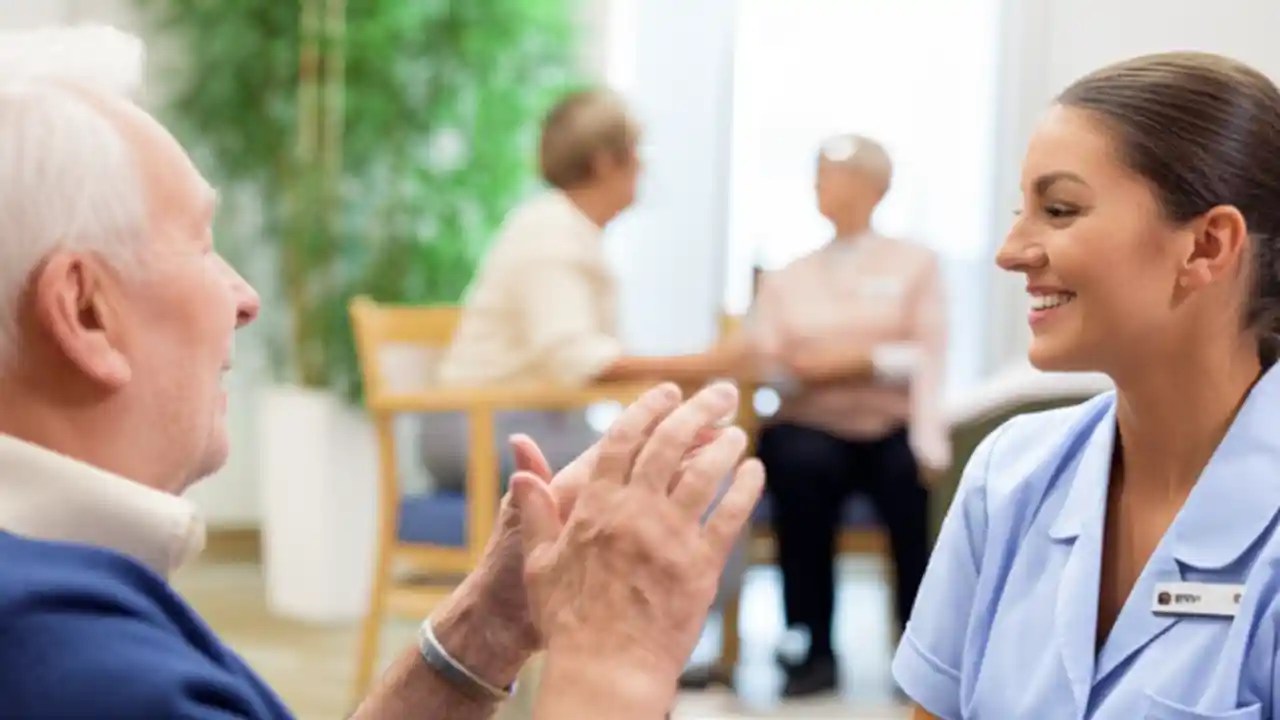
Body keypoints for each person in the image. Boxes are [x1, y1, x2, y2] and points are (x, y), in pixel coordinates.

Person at [0, 27, 765, 719]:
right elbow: (579, 360)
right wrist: (614, 667)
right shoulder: (92, 670)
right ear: (85, 311)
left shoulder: (74, 611)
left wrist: (482, 630)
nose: (246, 297)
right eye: (203, 245)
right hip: (492, 422)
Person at [896, 51, 1280, 719]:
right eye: (1023, 210)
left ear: (1208, 246)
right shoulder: (1010, 476)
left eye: (1060, 209)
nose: (1011, 250)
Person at [721, 134, 949, 698]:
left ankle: (920, 653)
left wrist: (849, 361)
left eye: (836, 174)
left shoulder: (915, 264)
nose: (823, 185)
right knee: (800, 467)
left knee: (907, 481)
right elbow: (770, 361)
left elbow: (924, 355)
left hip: (890, 426)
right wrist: (858, 361)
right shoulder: (788, 276)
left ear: (877, 187)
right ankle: (811, 646)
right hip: (810, 425)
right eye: (819, 175)